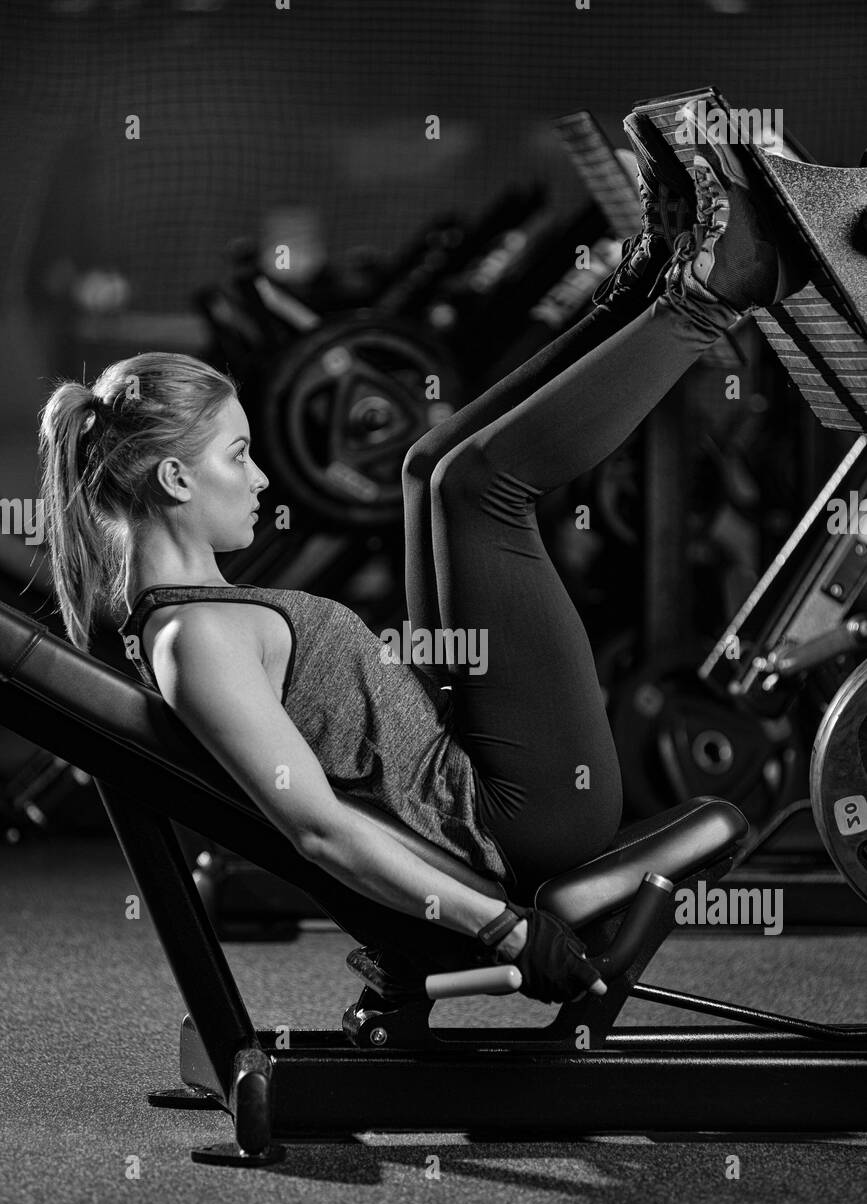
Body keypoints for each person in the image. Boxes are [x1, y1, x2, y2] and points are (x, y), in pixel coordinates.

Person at [38, 105, 806, 1006]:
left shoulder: (192, 615)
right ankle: (715, 288)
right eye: (237, 455)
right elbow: (317, 831)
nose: (261, 478)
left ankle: (646, 284)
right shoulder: (193, 640)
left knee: (430, 470)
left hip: (479, 767)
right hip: (515, 816)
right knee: (485, 492)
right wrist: (506, 927)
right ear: (173, 478)